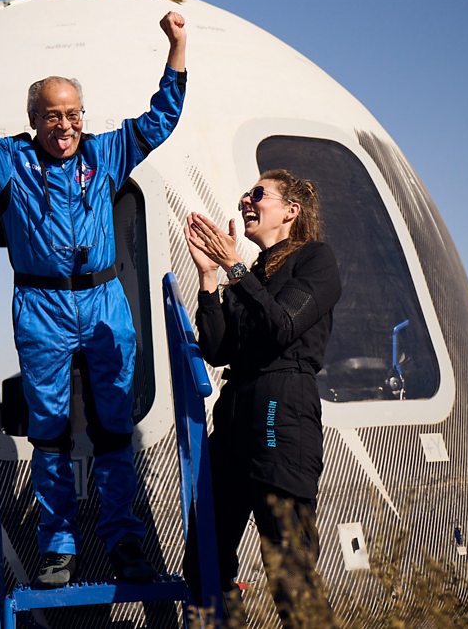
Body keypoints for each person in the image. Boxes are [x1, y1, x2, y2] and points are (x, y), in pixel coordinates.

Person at [0, 12, 187, 588]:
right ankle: (58, 548)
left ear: (82, 117)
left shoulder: (107, 155)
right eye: (52, 115)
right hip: (41, 309)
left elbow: (162, 117)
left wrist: (177, 47)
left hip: (103, 302)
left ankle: (124, 541)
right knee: (48, 433)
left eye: (72, 114)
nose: (63, 126)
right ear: (34, 120)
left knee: (114, 427)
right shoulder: (9, 163)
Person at [182, 169, 340, 625]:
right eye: (244, 196)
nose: (245, 201)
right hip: (235, 415)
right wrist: (209, 277)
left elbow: (283, 325)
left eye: (257, 194)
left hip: (280, 411)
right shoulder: (250, 274)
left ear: (291, 210)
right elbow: (218, 349)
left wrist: (234, 267)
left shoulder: (315, 260)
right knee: (205, 563)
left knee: (289, 573)